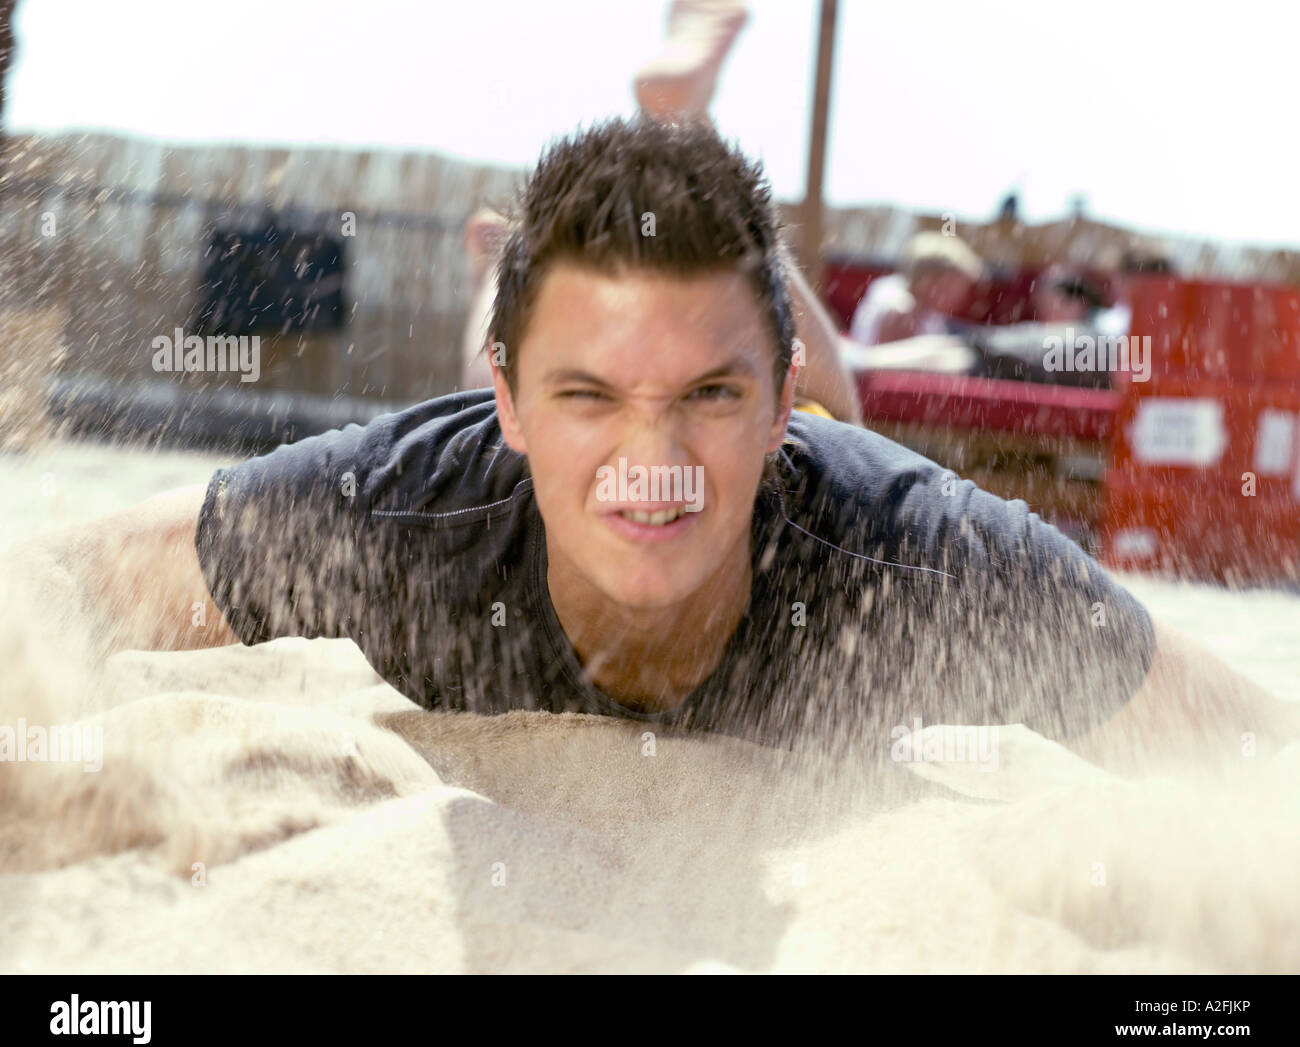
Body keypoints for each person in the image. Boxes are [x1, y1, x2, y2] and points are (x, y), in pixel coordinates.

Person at [9, 117, 1295, 773]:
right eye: (587, 398)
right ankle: (529, 289)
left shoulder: (918, 560)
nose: (651, 462)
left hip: (820, 447)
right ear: (514, 412)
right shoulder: (400, 517)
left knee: (847, 412)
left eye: (710, 398)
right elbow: (66, 583)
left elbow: (1247, 751)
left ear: (771, 405)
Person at [460, 0, 862, 424]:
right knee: (831, 423)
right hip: (742, 451)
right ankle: (687, 134)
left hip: (563, 445)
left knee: (490, 410)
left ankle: (499, 258)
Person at [849, 232, 982, 347]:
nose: (960, 295)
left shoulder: (924, 312)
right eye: (954, 286)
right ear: (928, 282)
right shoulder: (901, 313)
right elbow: (890, 371)